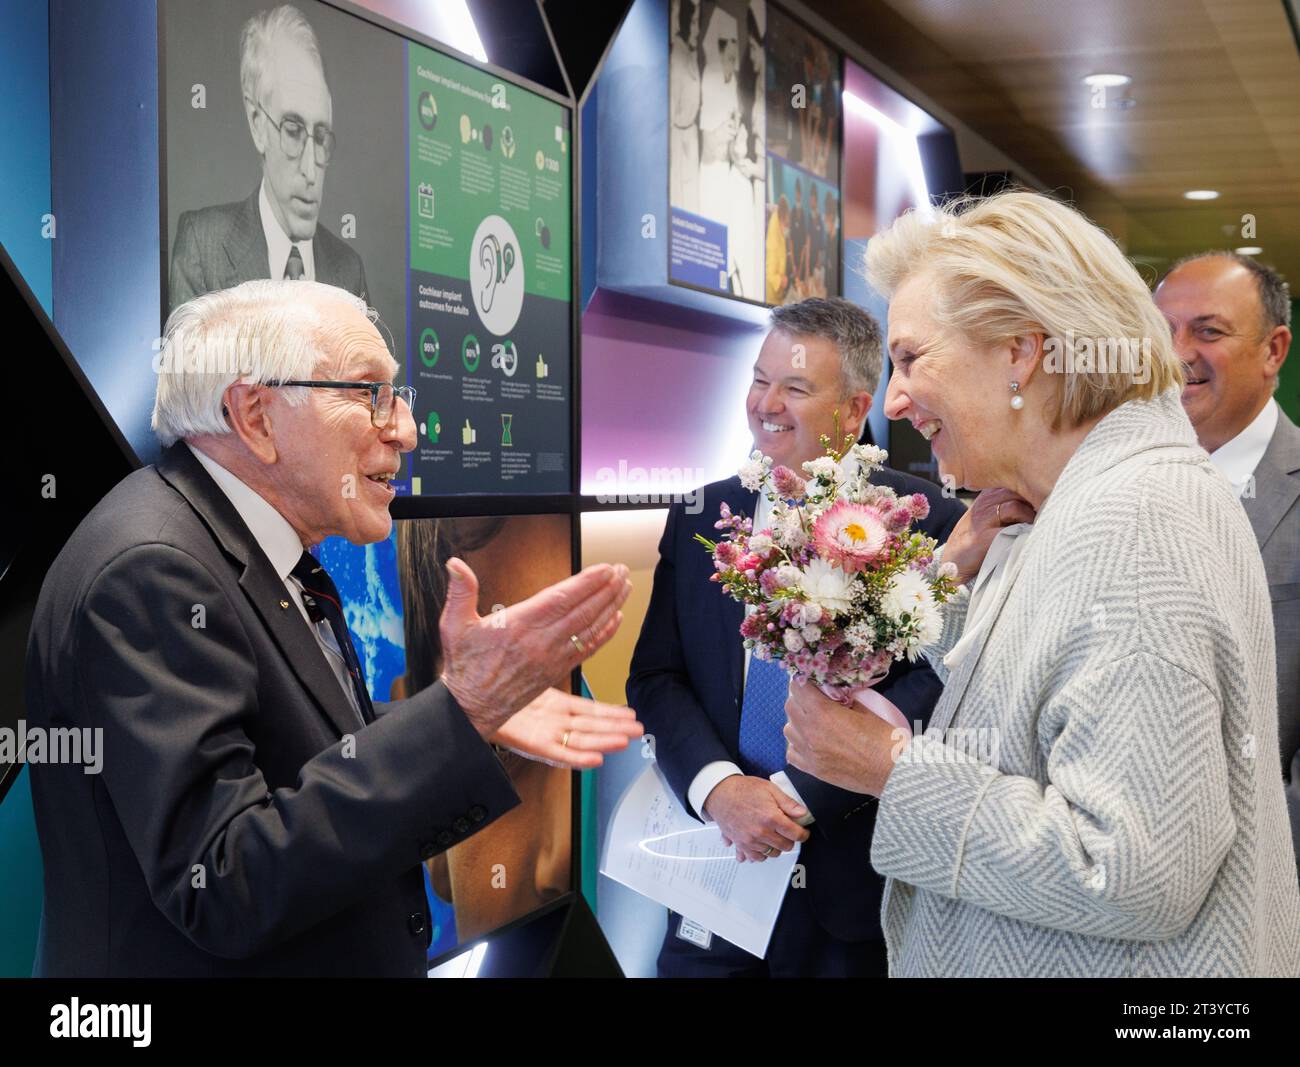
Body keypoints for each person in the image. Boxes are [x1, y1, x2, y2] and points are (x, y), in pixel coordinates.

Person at [24, 279, 639, 976]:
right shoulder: (152, 573)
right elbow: (226, 879)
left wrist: (465, 722)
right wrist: (458, 713)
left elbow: (293, 739)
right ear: (254, 414)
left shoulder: (244, 546)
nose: (404, 427)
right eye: (367, 392)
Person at [783, 191, 1300, 977]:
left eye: (914, 358)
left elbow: (1132, 869)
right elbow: (1035, 698)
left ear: (1021, 352)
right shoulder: (1063, 505)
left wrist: (892, 766)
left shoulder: (1137, 517)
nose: (892, 399)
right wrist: (950, 570)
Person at [627, 297, 964, 978]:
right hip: (711, 881)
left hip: (852, 900)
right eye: (759, 379)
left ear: (852, 408)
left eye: (796, 386)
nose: (767, 402)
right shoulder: (700, 514)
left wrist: (793, 798)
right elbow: (656, 676)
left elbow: (936, 686)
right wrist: (720, 789)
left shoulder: (923, 524)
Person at [1154, 252, 1299, 879]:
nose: (1178, 354)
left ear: (1273, 350)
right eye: (1162, 334)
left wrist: (1248, 882)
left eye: (1207, 332)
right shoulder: (1103, 487)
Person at [169, 4, 367, 311]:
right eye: (293, 131)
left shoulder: (349, 269)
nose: (311, 172)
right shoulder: (202, 246)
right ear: (257, 123)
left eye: (320, 135)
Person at [668, 0, 702, 215]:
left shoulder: (691, 55)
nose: (697, 30)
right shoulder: (677, 60)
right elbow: (671, 113)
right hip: (679, 145)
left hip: (690, 139)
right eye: (694, 22)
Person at [765, 195, 790, 304]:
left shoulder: (779, 229)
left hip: (778, 295)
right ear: (782, 217)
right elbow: (770, 274)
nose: (786, 227)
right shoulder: (773, 241)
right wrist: (781, 280)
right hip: (771, 298)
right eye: (785, 223)